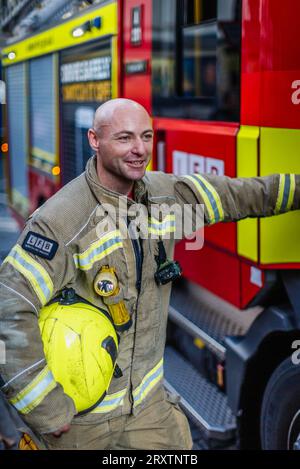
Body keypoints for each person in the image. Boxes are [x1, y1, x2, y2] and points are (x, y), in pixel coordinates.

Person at [0, 98, 299, 450]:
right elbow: (9, 308)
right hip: (81, 423)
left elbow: (242, 195)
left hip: (147, 412)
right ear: (95, 140)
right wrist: (48, 410)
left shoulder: (164, 196)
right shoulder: (62, 220)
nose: (140, 149)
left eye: (146, 136)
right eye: (125, 138)